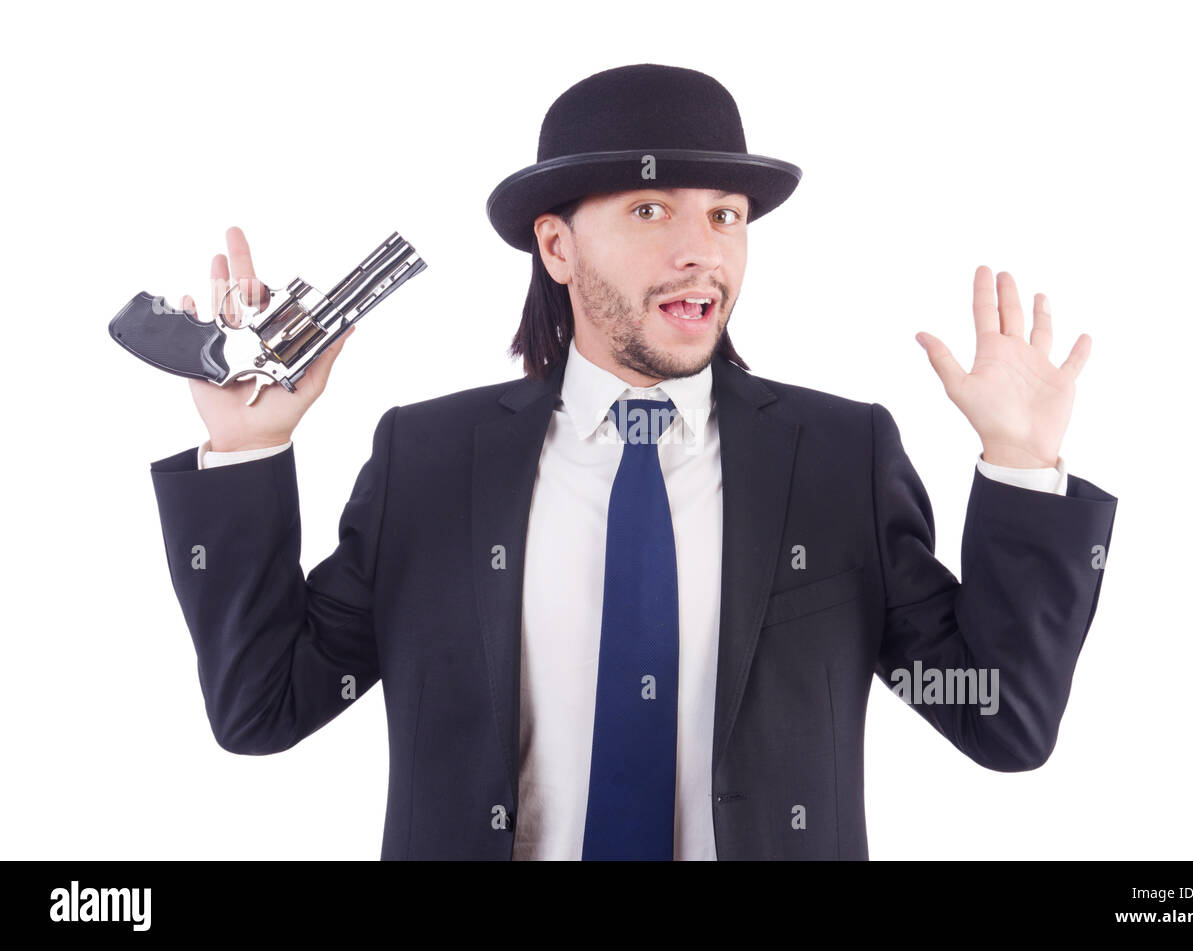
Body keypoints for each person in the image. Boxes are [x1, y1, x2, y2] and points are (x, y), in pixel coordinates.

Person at [149, 63, 1118, 860]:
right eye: (651, 211)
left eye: (725, 215)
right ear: (558, 247)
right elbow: (264, 707)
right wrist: (247, 452)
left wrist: (1023, 464)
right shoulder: (432, 461)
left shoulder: (837, 459)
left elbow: (997, 719)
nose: (702, 250)